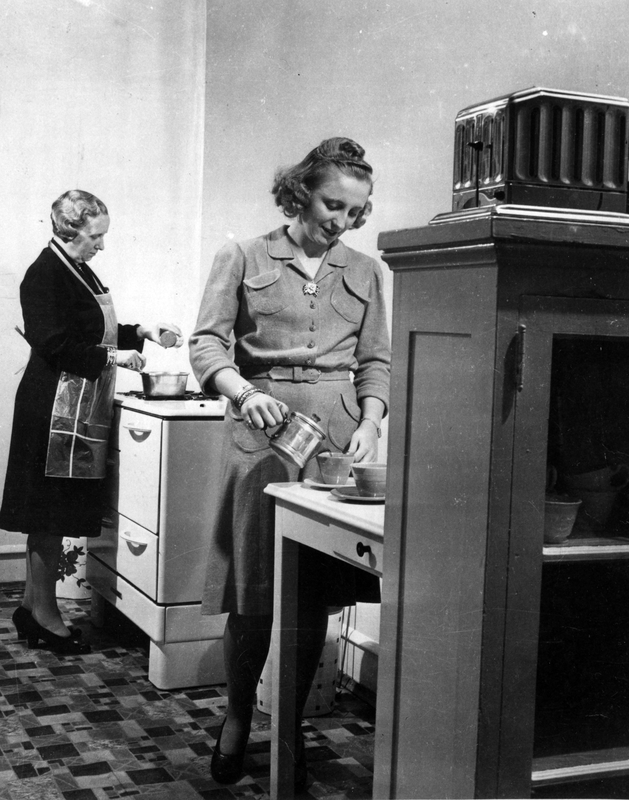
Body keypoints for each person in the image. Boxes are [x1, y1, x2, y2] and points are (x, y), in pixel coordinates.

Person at [189, 137, 390, 787]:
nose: (342, 221)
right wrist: (242, 392)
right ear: (301, 191)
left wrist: (370, 419)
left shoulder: (365, 272)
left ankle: (288, 728)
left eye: (356, 212)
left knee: (310, 599)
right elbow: (206, 345)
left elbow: (376, 362)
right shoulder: (242, 254)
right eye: (333, 204)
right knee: (253, 596)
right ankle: (238, 719)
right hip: (261, 438)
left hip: (330, 448)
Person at [0, 190, 183, 656]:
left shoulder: (75, 268)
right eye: (96, 235)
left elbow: (90, 328)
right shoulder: (45, 273)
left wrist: (140, 332)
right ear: (70, 230)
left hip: (75, 406)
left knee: (52, 512)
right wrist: (116, 357)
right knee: (48, 514)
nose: (101, 244)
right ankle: (44, 614)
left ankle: (30, 606)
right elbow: (53, 342)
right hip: (51, 409)